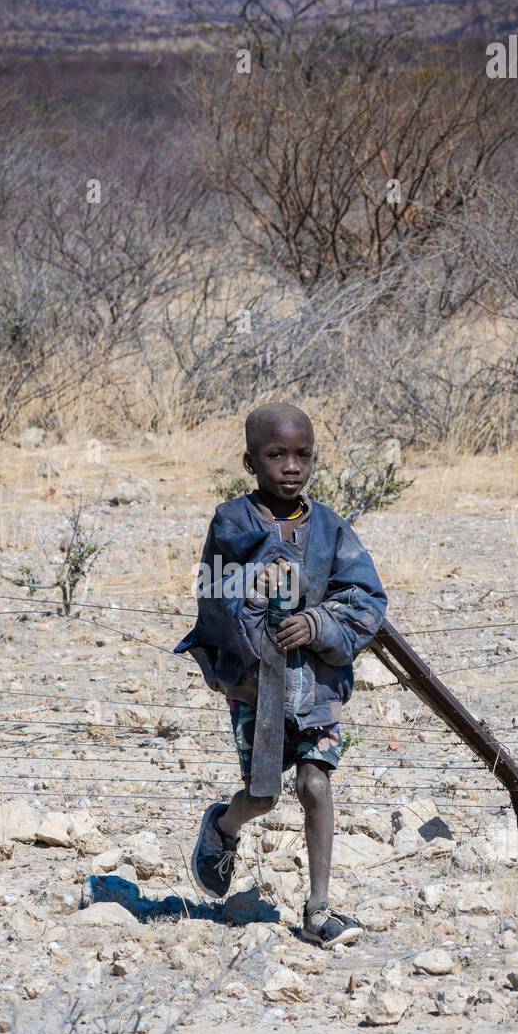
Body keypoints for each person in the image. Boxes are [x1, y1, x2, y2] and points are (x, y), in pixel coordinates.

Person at [174, 402, 387, 947]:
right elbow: (211, 592)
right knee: (264, 795)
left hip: (316, 685)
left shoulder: (333, 529)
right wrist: (251, 585)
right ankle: (224, 826)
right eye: (276, 455)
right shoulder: (231, 522)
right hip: (254, 686)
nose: (291, 467)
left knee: (315, 782)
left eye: (303, 455)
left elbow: (365, 599)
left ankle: (319, 908)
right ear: (251, 462)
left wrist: (318, 623)